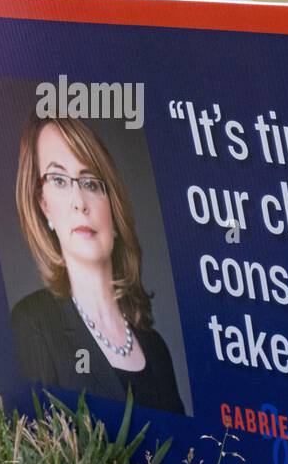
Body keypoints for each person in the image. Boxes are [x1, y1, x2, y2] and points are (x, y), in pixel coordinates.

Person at [10, 114, 185, 415]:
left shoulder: (156, 349)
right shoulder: (33, 324)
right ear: (44, 206)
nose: (79, 201)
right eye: (59, 180)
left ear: (113, 211)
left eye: (91, 183)